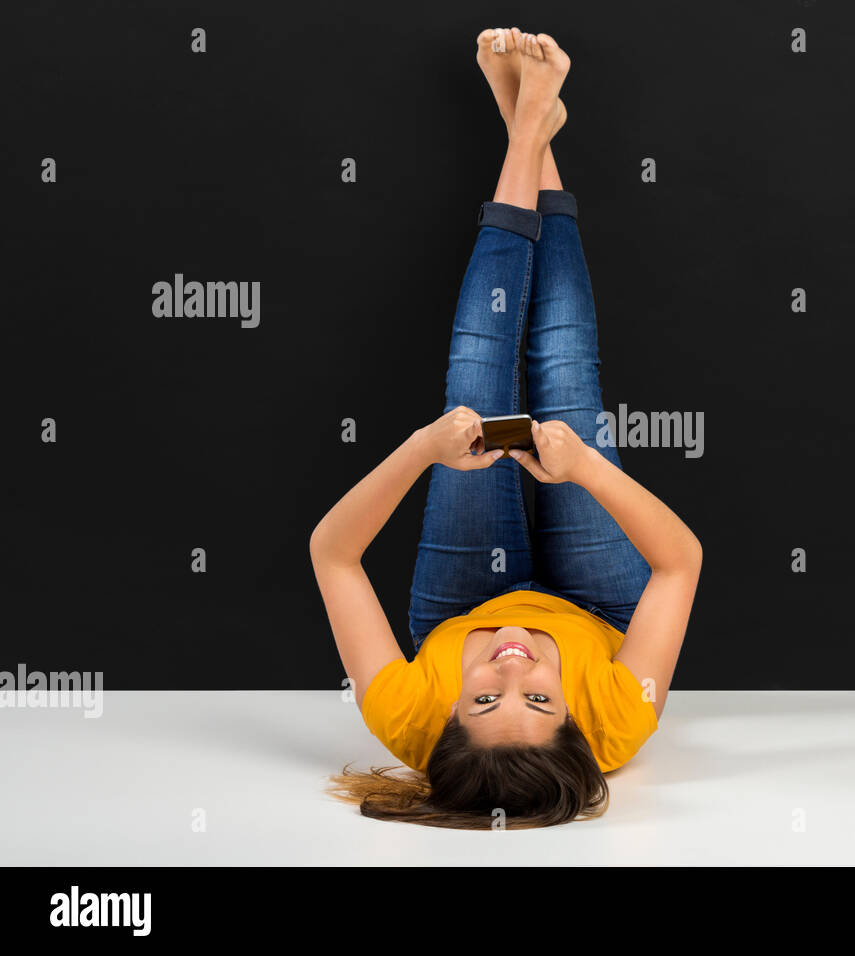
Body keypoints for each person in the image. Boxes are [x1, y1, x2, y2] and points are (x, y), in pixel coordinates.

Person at [309, 28, 702, 829]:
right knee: (564, 366)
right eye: (538, 698)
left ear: (446, 718)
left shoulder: (406, 713)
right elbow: (680, 565)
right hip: (599, 608)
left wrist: (424, 449)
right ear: (575, 720)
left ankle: (526, 121)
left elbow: (332, 553)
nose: (512, 664)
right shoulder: (620, 718)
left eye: (485, 697)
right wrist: (587, 468)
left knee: (476, 376)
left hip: (461, 601)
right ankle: (523, 122)